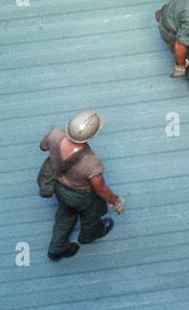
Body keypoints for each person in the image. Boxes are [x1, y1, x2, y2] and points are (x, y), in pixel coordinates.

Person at [40, 110, 125, 262]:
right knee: (92, 214)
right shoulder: (91, 162)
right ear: (91, 137)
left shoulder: (55, 134)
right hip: (82, 196)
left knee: (65, 215)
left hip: (59, 187)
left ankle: (57, 248)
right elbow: (101, 189)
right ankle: (89, 235)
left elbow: (43, 146)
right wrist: (115, 200)